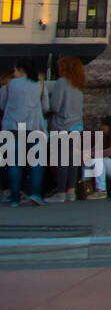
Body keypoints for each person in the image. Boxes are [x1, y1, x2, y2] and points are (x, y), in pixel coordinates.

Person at [2, 58, 49, 206]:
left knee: (14, 163)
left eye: (15, 70)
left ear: (22, 70)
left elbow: (2, 104)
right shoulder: (40, 84)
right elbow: (46, 107)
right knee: (37, 162)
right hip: (33, 127)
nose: (14, 73)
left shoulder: (9, 85)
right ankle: (35, 194)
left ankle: (15, 198)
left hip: (12, 127)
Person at [46, 56, 87, 203]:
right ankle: (71, 191)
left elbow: (55, 106)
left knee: (62, 160)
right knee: (73, 160)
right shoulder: (79, 83)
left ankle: (61, 193)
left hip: (62, 125)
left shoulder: (61, 83)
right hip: (77, 125)